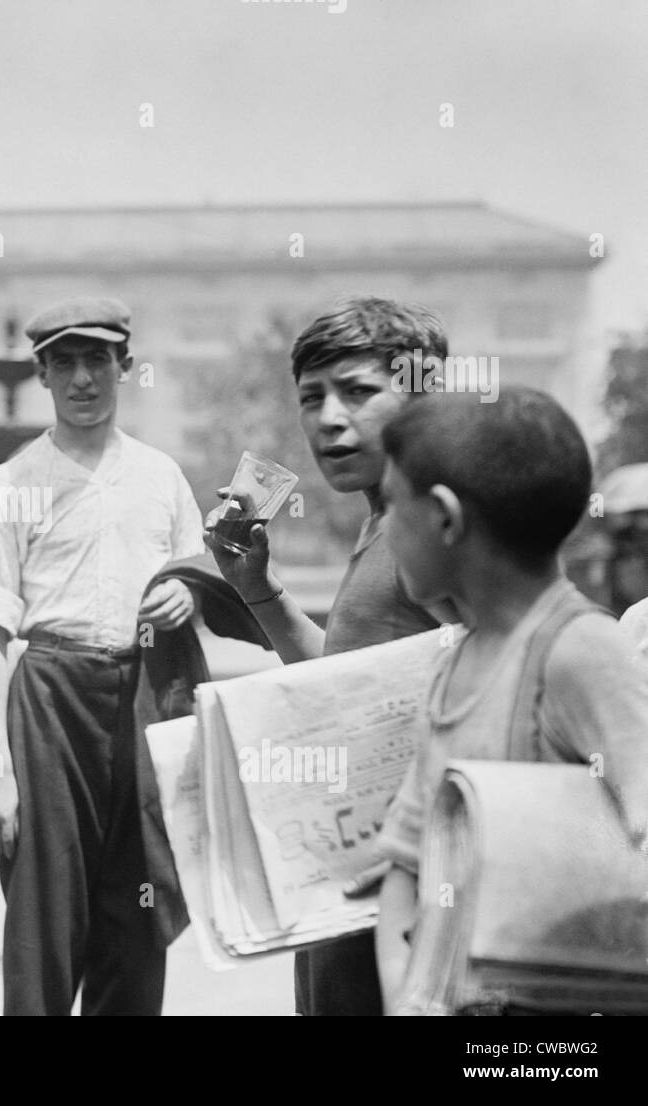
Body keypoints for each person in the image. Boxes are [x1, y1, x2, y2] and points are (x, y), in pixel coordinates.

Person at [0, 296, 205, 1016]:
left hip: (144, 697)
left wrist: (187, 595)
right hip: (49, 699)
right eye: (63, 362)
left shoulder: (162, 477)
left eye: (97, 359)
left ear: (123, 365)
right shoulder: (11, 485)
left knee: (141, 907)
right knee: (44, 914)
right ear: (40, 374)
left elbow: (196, 575)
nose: (82, 379)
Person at [371, 388, 648, 1013]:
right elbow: (407, 862)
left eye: (390, 504)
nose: (383, 528)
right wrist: (407, 995)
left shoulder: (581, 652)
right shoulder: (454, 664)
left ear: (445, 517)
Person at [208, 297, 449, 1016]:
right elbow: (341, 680)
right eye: (312, 398)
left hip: (404, 875)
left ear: (422, 393)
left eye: (359, 392)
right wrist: (257, 587)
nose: (329, 418)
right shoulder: (385, 520)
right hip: (351, 865)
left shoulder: (436, 526)